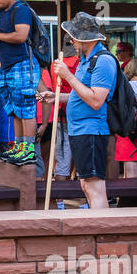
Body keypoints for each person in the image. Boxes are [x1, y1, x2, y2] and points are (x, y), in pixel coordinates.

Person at [41, 12, 116, 210]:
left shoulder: (103, 61)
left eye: (74, 36)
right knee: (86, 184)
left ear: (85, 38)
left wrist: (67, 75)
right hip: (80, 131)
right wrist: (58, 97)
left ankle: (102, 233)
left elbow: (96, 100)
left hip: (91, 130)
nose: (71, 40)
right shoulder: (85, 59)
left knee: (94, 186)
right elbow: (82, 94)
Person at [0, 0, 41, 167]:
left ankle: (29, 149)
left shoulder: (21, 10)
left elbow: (21, 36)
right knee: (14, 108)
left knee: (25, 107)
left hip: (22, 64)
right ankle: (18, 146)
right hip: (6, 67)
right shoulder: (1, 14)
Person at [37, 44, 78, 184]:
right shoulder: (79, 63)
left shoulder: (55, 63)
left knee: (61, 159)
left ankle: (60, 200)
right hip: (75, 115)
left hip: (60, 113)